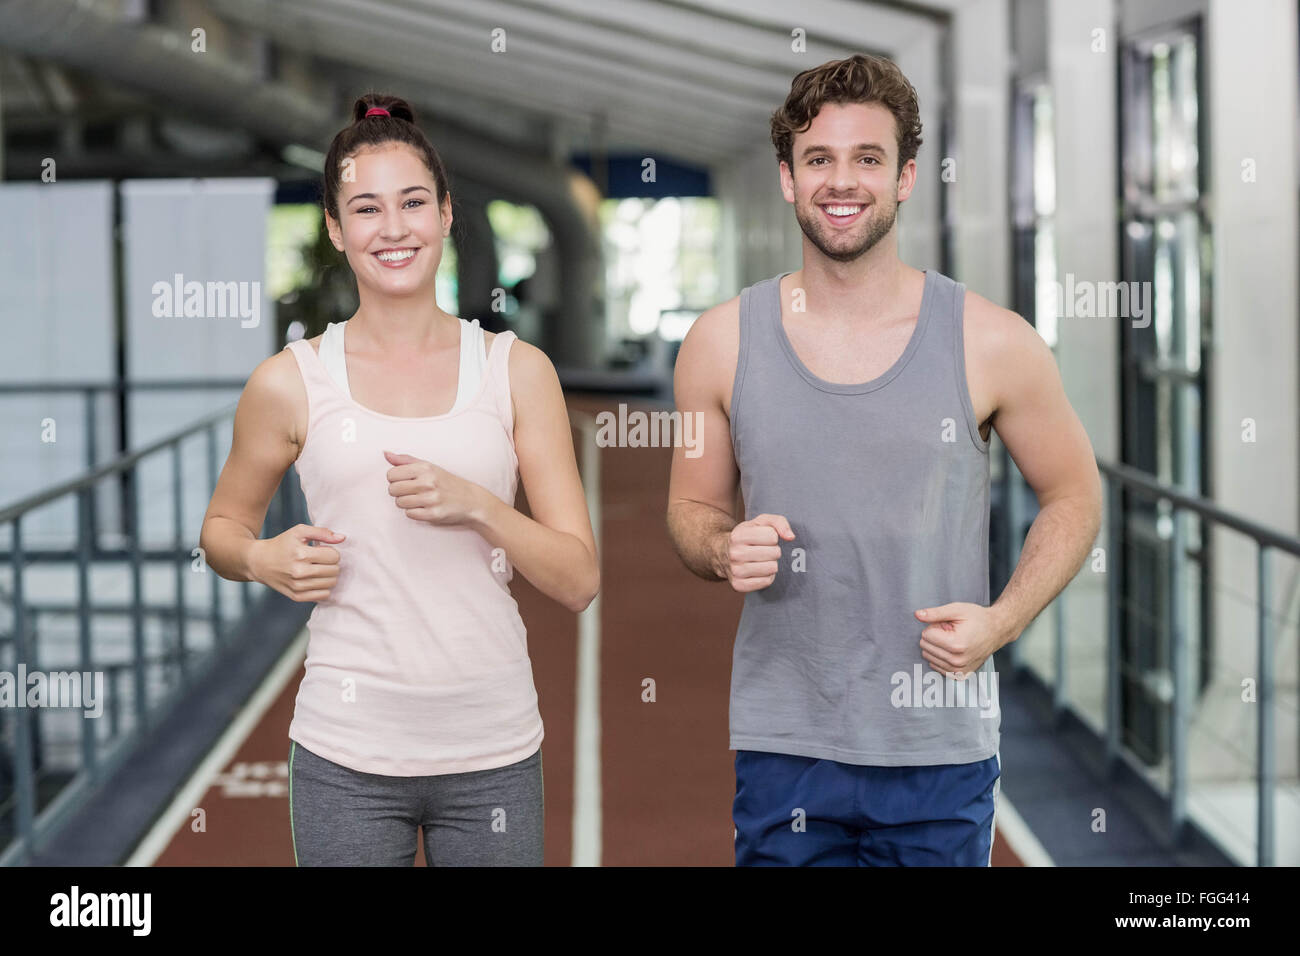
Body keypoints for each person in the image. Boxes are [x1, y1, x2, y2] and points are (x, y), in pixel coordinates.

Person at [665, 54, 1102, 866]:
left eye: (867, 159)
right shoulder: (720, 342)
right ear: (788, 179)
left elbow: (1075, 494)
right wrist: (723, 548)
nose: (843, 181)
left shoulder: (993, 341)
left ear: (905, 177)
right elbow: (690, 509)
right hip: (786, 743)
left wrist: (1002, 622)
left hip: (939, 748)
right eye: (819, 159)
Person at [199, 94, 599, 866]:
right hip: (346, 754)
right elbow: (221, 532)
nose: (393, 228)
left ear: (447, 215)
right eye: (366, 208)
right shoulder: (290, 382)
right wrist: (260, 559)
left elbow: (578, 578)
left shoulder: (518, 372)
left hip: (492, 748)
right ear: (334, 228)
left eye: (413, 202)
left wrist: (479, 506)